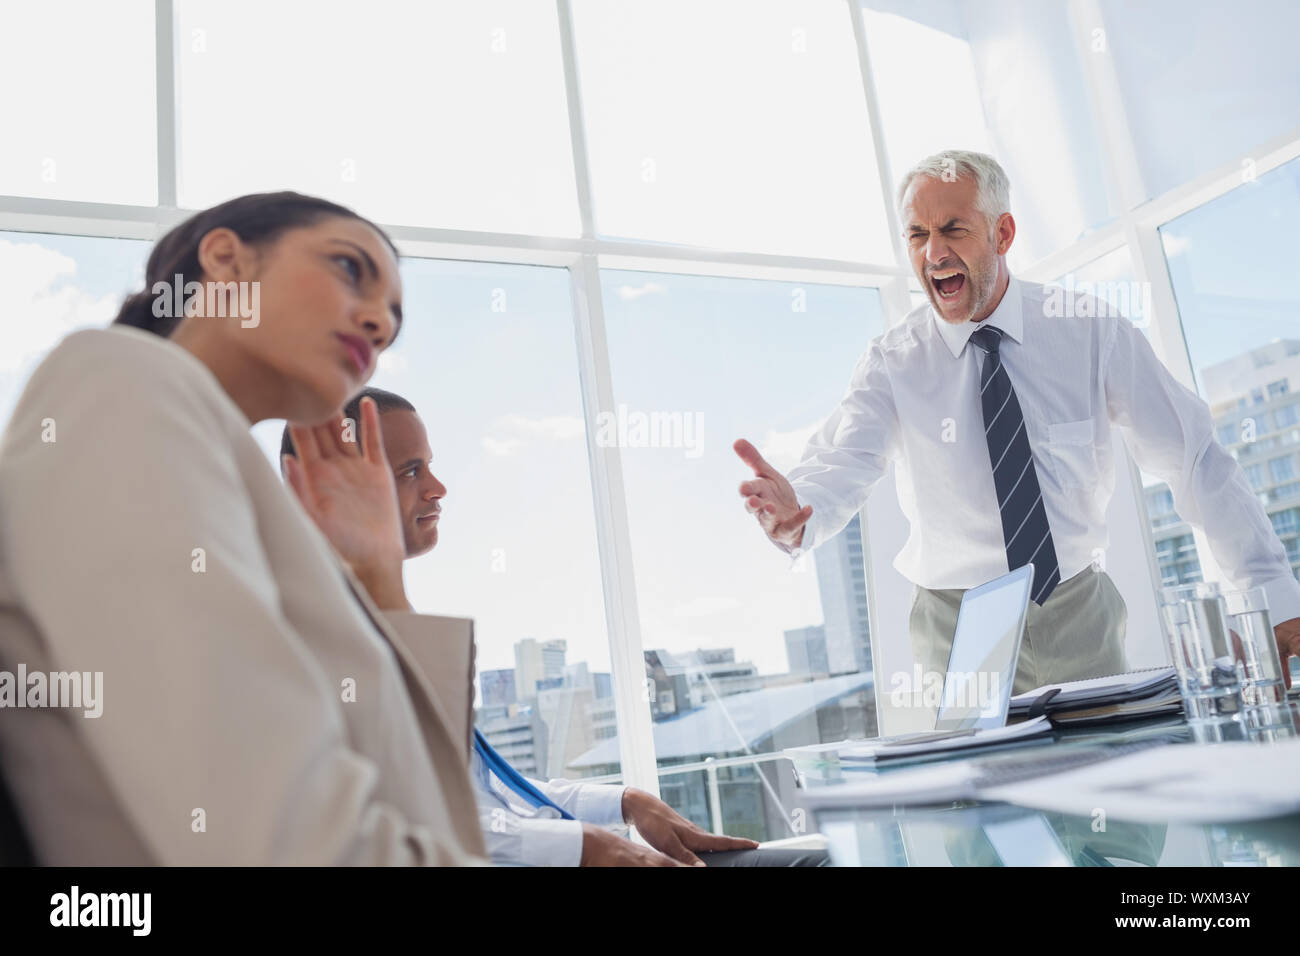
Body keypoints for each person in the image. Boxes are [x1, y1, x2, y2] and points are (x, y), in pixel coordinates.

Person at [0, 192, 485, 865]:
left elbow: (414, 803)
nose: (378, 323)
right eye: (350, 269)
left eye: (392, 326)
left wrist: (376, 573)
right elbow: (277, 838)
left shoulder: (233, 492)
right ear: (225, 260)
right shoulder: (121, 381)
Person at [736, 149, 1300, 694]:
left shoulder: (1089, 332)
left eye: (953, 229)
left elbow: (1195, 457)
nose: (933, 253)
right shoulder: (893, 361)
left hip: (1077, 607)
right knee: (983, 788)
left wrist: (1271, 593)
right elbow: (845, 460)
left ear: (1002, 233)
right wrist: (797, 511)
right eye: (917, 235)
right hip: (959, 624)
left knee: (1106, 771)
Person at [282, 389, 831, 866]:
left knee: (828, 858)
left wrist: (622, 803)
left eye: (428, 464)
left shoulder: (381, 618)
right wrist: (583, 846)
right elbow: (413, 828)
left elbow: (484, 796)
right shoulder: (305, 641)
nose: (438, 487)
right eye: (409, 472)